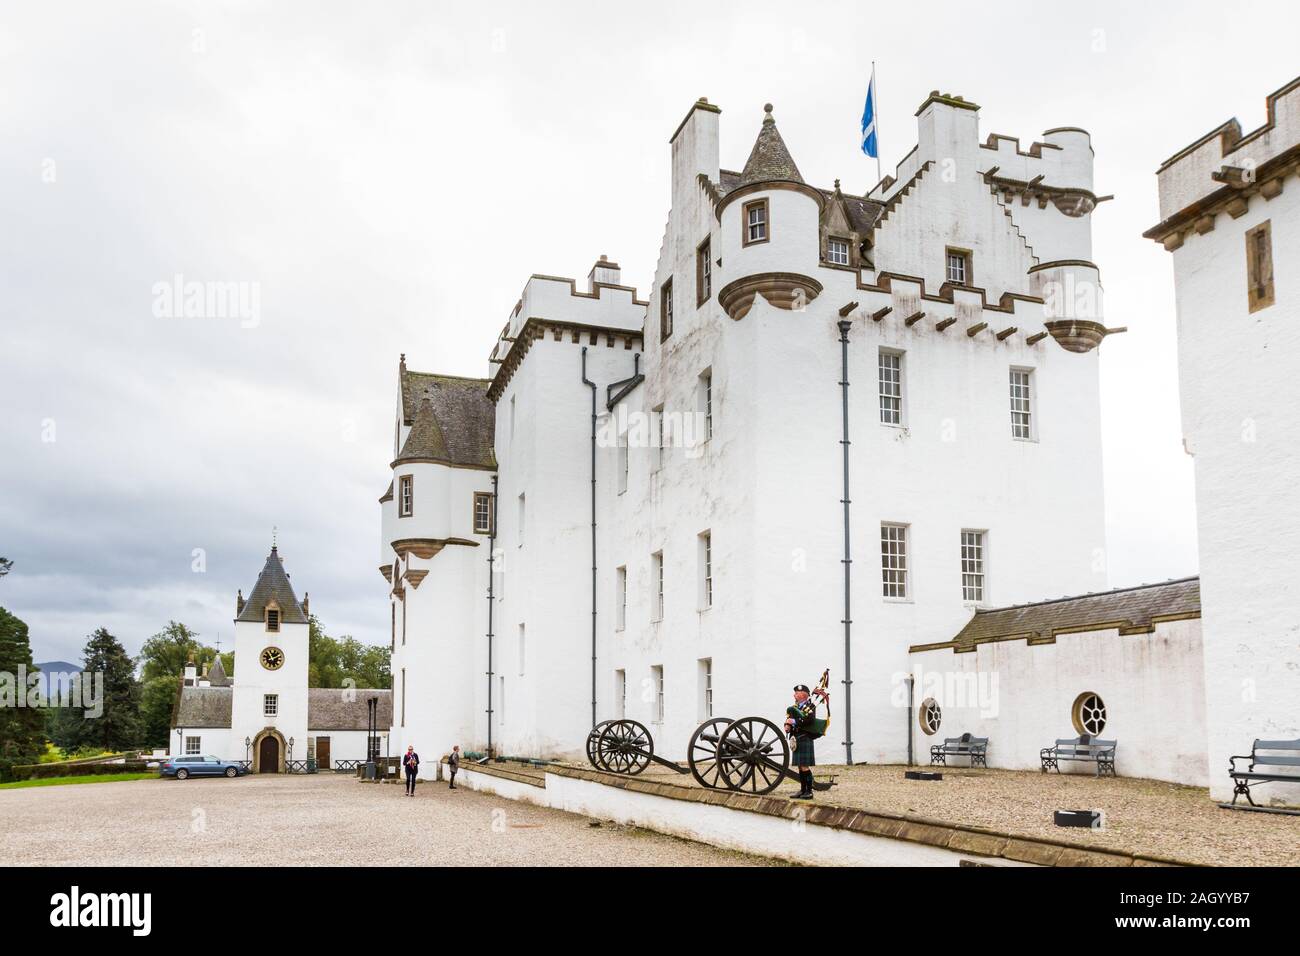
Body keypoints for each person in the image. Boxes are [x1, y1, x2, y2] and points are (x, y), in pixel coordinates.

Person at [783, 683, 829, 800]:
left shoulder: (810, 706)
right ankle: (802, 790)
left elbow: (809, 720)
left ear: (803, 695)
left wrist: (793, 721)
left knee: (804, 767)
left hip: (804, 738)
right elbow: (789, 719)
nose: (794, 695)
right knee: (799, 767)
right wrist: (787, 725)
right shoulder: (795, 707)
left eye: (797, 693)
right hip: (796, 739)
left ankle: (809, 791)